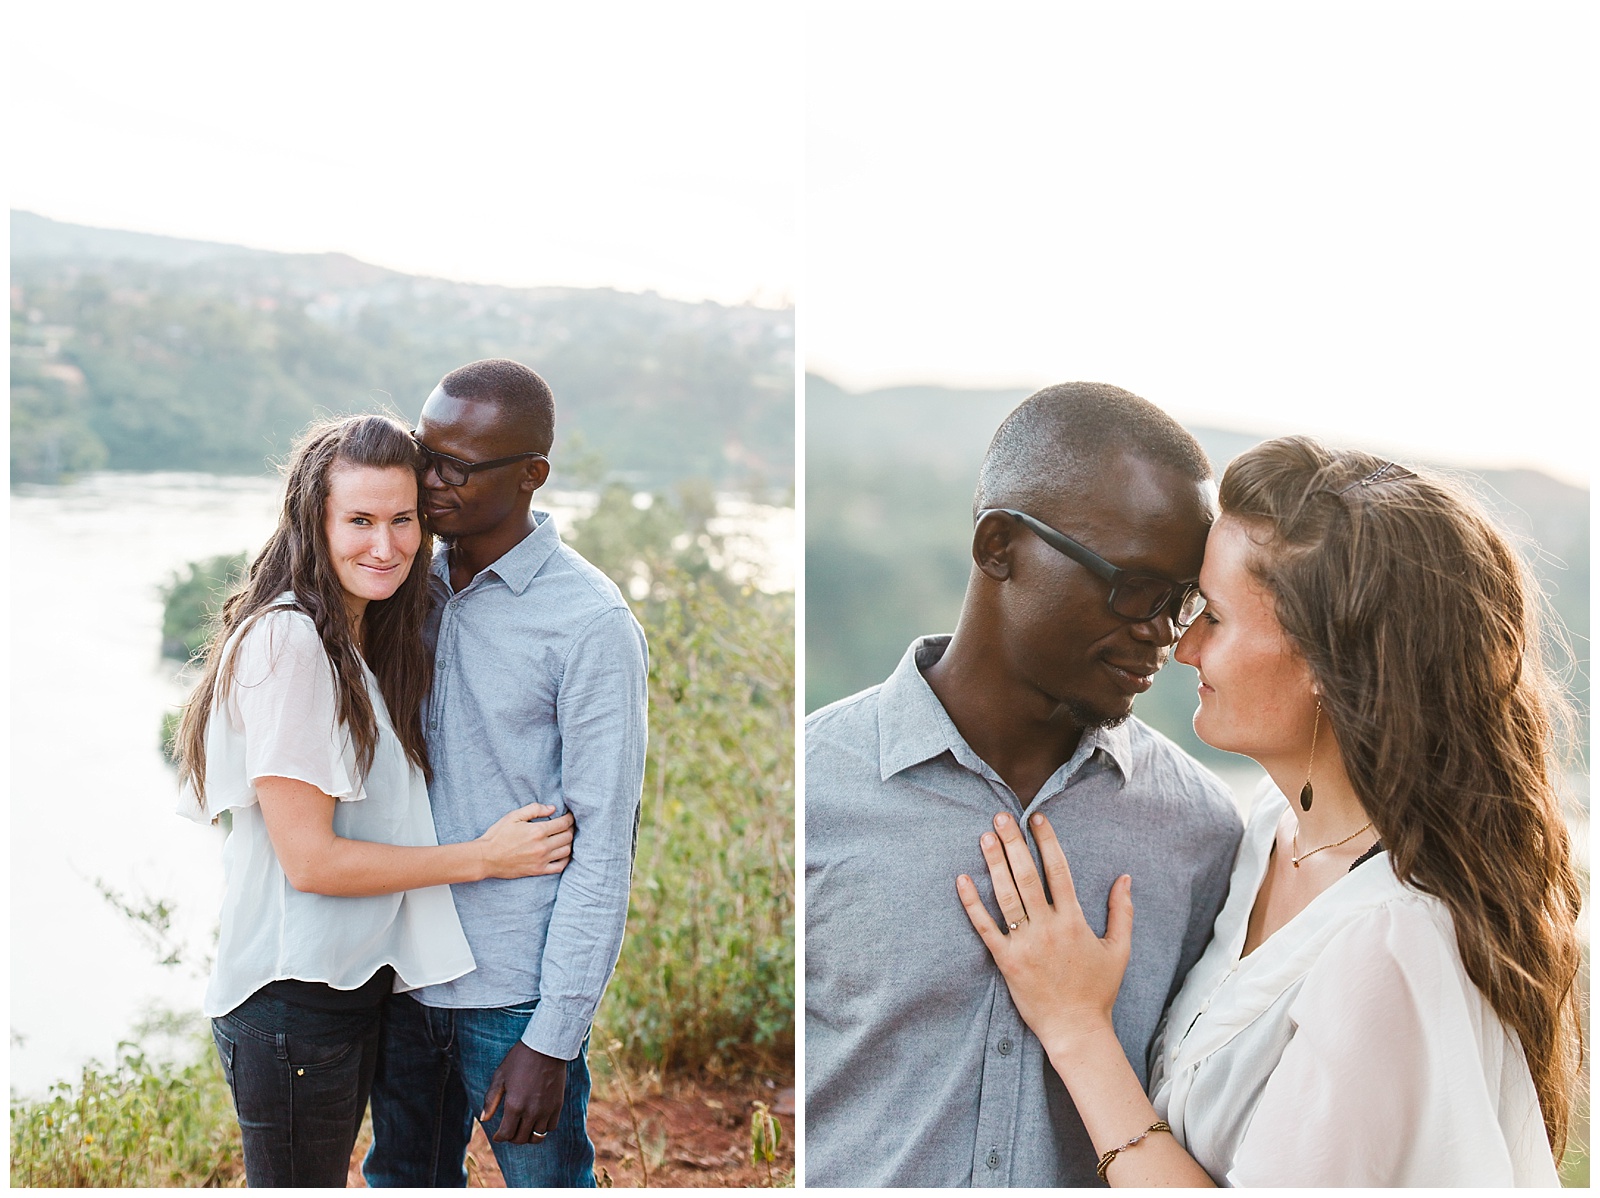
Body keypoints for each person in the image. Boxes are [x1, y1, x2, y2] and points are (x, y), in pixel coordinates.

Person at [960, 437, 1583, 1186]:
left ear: (1329, 662)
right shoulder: (1267, 832)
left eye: (1213, 618)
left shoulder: (1391, 943)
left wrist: (1076, 1028)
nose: (1180, 646)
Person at [805, 383, 1244, 1186]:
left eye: (1182, 603)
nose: (1160, 633)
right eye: (1135, 588)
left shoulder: (1205, 833)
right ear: (999, 546)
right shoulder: (812, 790)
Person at [176, 413, 575, 1188]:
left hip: (350, 989)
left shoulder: (358, 639)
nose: (386, 547)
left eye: (404, 521)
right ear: (313, 522)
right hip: (291, 1002)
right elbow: (312, 862)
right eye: (358, 520)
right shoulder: (290, 643)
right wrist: (484, 859)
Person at [363, 359, 649, 1189]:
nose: (430, 481)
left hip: (513, 994)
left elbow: (602, 845)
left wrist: (552, 1038)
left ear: (532, 476)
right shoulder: (397, 583)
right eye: (426, 452)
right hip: (402, 972)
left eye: (456, 466)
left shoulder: (591, 625)